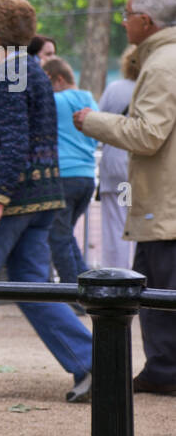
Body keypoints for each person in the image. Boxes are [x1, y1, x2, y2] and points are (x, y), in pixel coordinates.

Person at [0, 0, 92, 403]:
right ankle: (89, 360)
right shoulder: (34, 70)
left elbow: (15, 144)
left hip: (10, 204)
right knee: (32, 287)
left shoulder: (10, 75)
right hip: (43, 199)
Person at [76, 0, 176, 395]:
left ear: (146, 21)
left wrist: (92, 121)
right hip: (164, 201)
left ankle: (164, 370)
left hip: (164, 206)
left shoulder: (161, 63)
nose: (122, 23)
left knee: (156, 292)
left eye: (127, 15)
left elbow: (149, 134)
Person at [42, 56, 97, 288]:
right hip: (86, 176)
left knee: (58, 238)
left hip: (63, 176)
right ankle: (86, 286)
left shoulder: (56, 100)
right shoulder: (89, 100)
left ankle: (71, 293)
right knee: (65, 236)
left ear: (59, 79)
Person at [94, 46, 139, 270]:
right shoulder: (155, 87)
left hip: (115, 166)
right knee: (143, 226)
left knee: (116, 226)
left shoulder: (115, 89)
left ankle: (117, 277)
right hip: (141, 167)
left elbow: (100, 124)